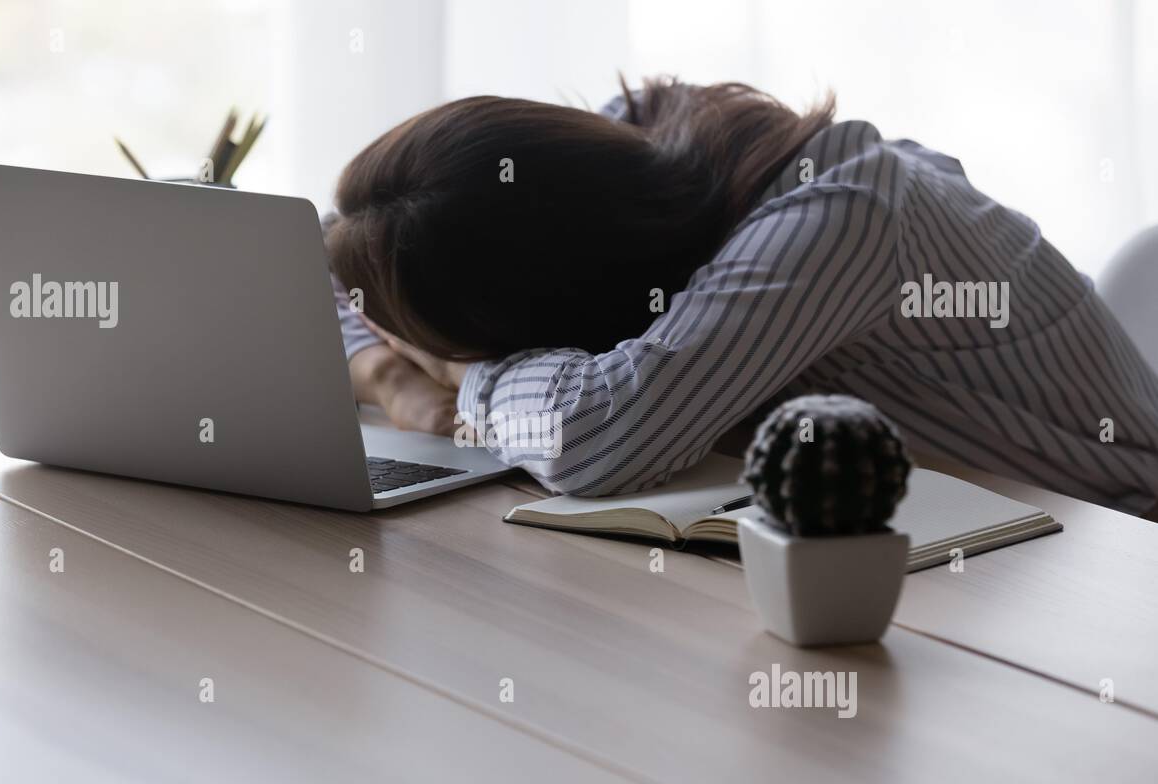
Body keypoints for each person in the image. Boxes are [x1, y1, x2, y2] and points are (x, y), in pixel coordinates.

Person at [323, 77, 1158, 515]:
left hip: (1108, 549)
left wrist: (461, 386)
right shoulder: (620, 151)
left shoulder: (841, 211)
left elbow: (594, 436)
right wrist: (397, 380)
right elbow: (333, 261)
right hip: (934, 537)